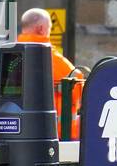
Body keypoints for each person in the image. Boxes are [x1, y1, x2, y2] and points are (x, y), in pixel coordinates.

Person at [17, 7, 82, 138]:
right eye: (49, 28)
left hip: (19, 130)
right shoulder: (52, 58)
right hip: (57, 134)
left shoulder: (12, 55)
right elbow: (78, 86)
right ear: (41, 29)